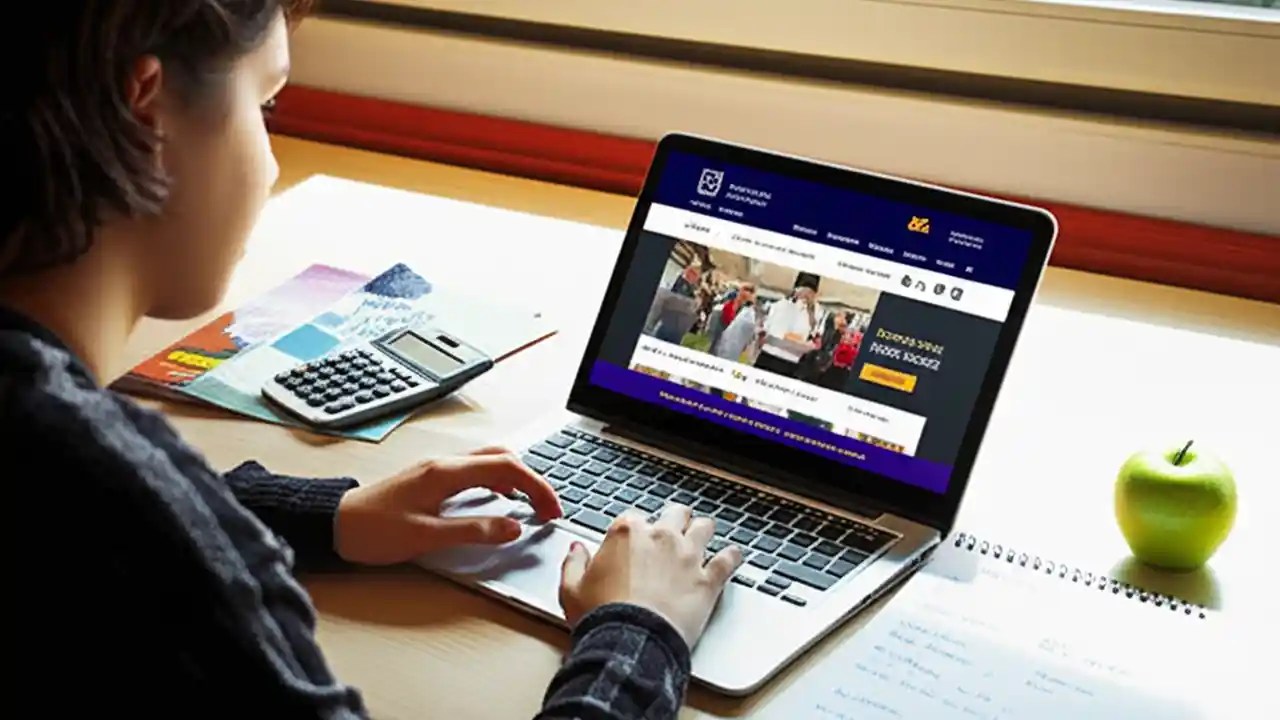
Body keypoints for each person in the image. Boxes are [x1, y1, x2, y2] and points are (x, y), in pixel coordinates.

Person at [2, 3, 742, 717]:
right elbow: (119, 519)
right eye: (266, 106)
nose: (269, 166)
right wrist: (638, 635)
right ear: (147, 112)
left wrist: (329, 516)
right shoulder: (106, 490)